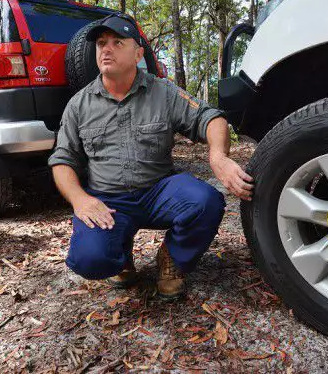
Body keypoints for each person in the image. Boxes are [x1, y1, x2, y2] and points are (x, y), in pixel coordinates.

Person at [48, 15, 254, 300]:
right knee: (89, 259)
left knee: (206, 201)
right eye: (101, 43)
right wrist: (80, 199)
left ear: (138, 53)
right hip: (109, 200)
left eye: (117, 42)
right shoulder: (79, 104)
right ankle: (119, 257)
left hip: (158, 192)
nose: (106, 49)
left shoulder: (162, 91)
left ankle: (172, 258)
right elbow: (62, 161)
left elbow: (210, 118)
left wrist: (217, 156)